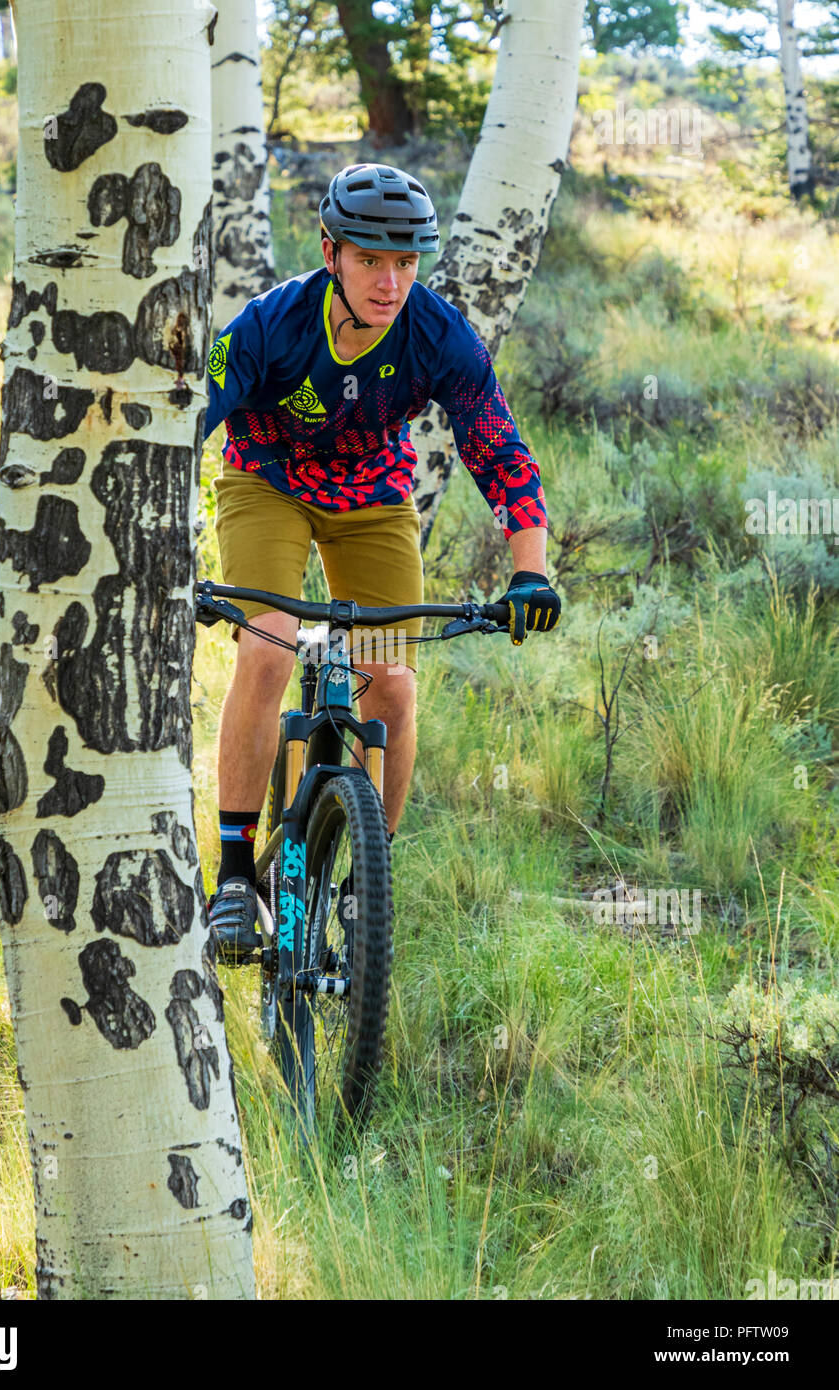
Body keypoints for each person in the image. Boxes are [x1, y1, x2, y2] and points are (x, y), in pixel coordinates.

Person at [200, 162, 561, 960]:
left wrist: (530, 571)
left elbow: (498, 450)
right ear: (330, 252)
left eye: (406, 262)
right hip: (267, 481)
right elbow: (196, 410)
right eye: (370, 260)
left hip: (372, 497)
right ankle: (231, 877)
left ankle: (371, 875)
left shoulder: (437, 334)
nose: (390, 281)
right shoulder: (270, 324)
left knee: (391, 681)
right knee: (266, 650)